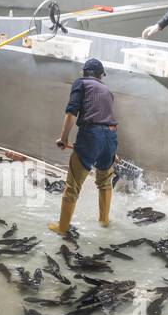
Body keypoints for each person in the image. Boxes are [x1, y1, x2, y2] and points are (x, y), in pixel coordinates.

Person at [49, 58, 118, 234]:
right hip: (110, 137)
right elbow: (108, 120)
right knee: (104, 182)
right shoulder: (108, 91)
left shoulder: (81, 82)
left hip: (91, 135)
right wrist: (112, 151)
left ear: (83, 73)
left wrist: (63, 138)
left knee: (72, 186)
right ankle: (104, 220)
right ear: (101, 75)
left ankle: (62, 228)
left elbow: (72, 111)